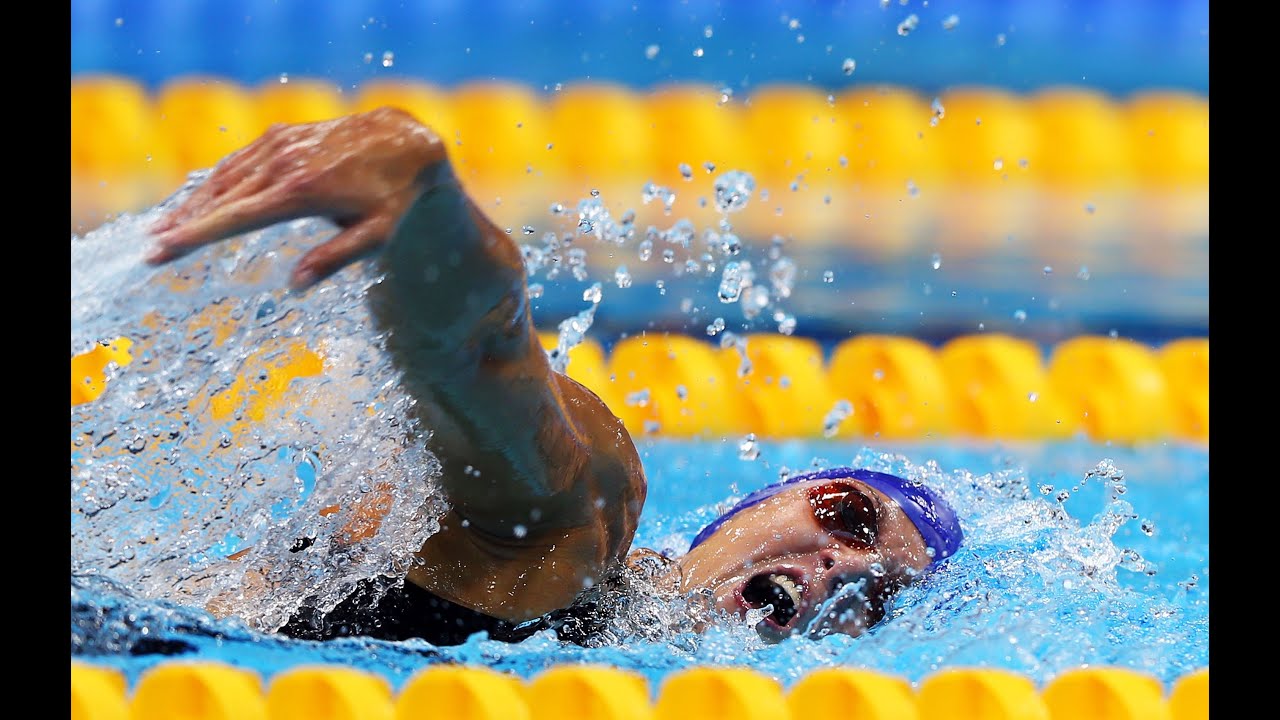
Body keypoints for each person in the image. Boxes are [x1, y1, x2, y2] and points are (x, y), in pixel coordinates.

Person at [144, 107, 963, 646]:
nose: (845, 568)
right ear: (755, 506)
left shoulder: (628, 644)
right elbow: (492, 367)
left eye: (878, 596)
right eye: (848, 519)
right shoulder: (594, 521)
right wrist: (433, 220)